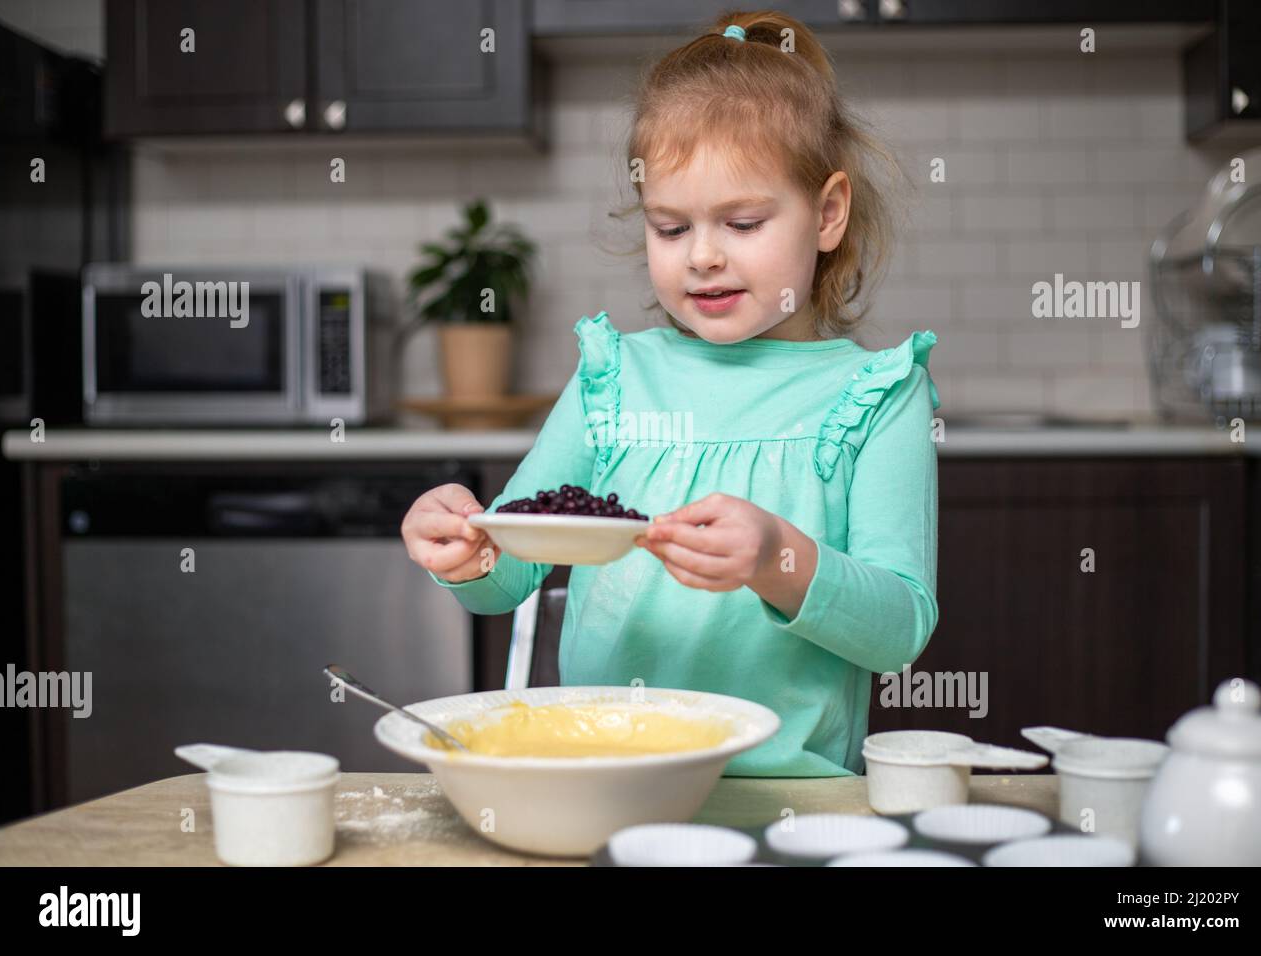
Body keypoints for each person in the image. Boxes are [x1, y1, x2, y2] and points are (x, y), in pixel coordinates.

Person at [401, 10, 941, 776]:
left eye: (743, 222)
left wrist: (775, 556)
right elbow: (510, 570)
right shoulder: (612, 379)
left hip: (790, 799)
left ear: (827, 213)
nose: (705, 258)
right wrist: (461, 551)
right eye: (670, 227)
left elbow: (899, 629)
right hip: (607, 782)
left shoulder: (878, 395)